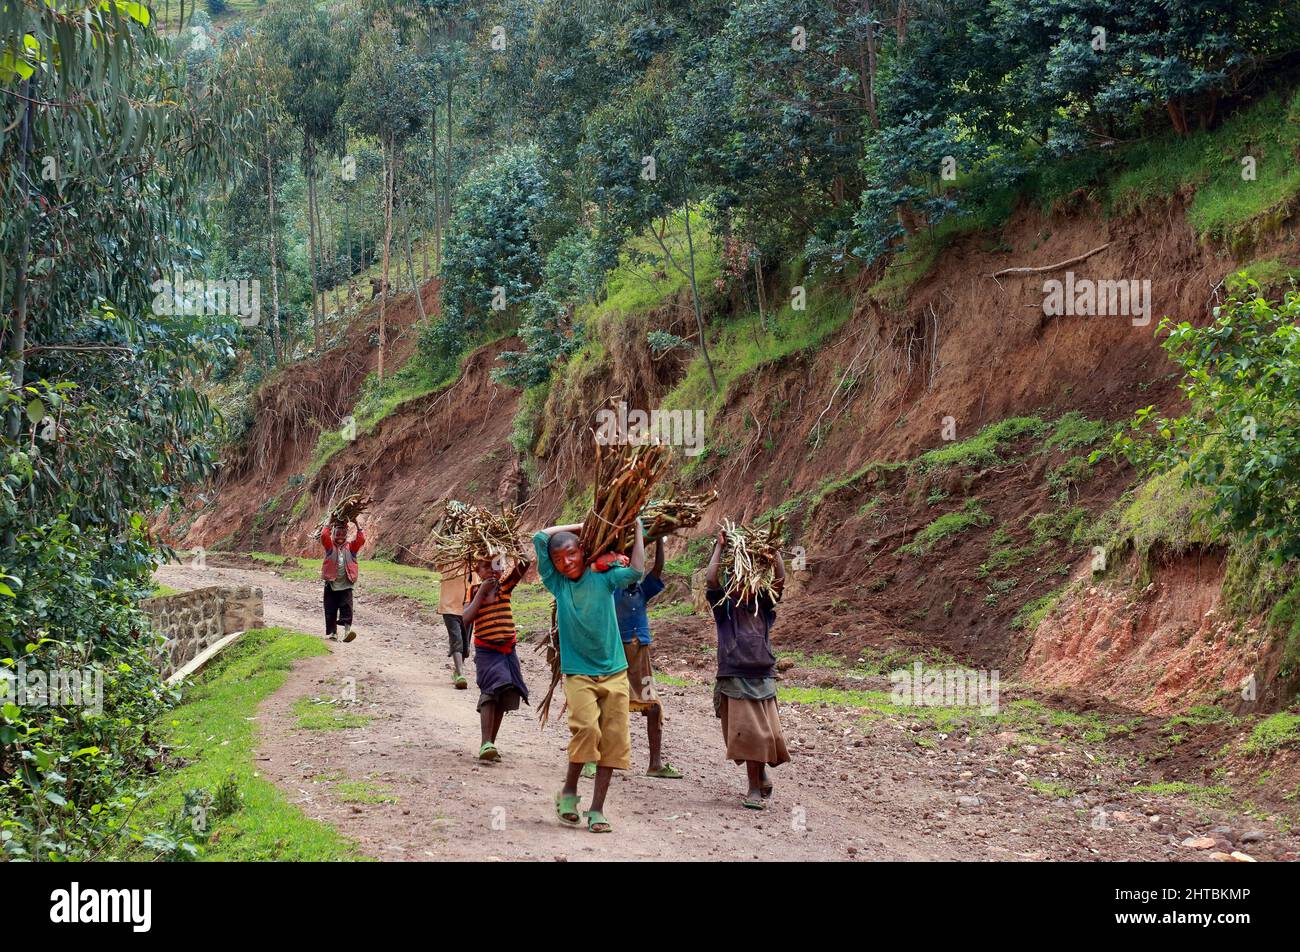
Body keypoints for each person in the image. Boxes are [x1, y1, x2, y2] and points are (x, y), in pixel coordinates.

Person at [534, 519, 645, 833]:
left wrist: (636, 529)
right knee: (585, 730)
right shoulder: (558, 583)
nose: (566, 563)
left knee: (613, 741)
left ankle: (597, 809)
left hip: (615, 672)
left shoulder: (604, 577)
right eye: (559, 560)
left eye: (571, 554)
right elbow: (539, 536)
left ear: (581, 551)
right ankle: (569, 791)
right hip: (579, 673)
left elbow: (637, 571)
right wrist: (587, 524)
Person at [704, 524, 790, 809]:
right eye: (739, 580)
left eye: (750, 580)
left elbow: (780, 581)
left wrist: (774, 553)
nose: (744, 586)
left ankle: (760, 775)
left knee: (765, 735)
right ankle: (753, 788)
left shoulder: (763, 606)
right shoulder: (724, 608)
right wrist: (719, 546)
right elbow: (711, 579)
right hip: (735, 676)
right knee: (748, 735)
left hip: (763, 676)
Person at [610, 536, 681, 779]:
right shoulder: (610, 586)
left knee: (653, 706)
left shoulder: (641, 590)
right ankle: (592, 758)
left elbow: (658, 569)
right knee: (607, 704)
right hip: (615, 653)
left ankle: (655, 764)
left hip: (641, 656)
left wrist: (660, 542)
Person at [462, 553, 531, 761]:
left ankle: (490, 744)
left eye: (496, 565)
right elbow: (465, 618)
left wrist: (514, 548)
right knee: (490, 692)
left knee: (504, 695)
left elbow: (526, 562)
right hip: (487, 651)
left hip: (508, 651)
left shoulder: (505, 587)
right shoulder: (473, 591)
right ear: (477, 571)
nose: (492, 570)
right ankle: (485, 742)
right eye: (485, 567)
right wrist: (481, 592)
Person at [320, 518, 365, 643]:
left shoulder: (351, 548)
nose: (340, 537)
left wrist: (357, 524)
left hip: (346, 583)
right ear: (333, 534)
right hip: (331, 583)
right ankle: (333, 633)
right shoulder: (330, 547)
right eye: (337, 534)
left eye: (343, 534)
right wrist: (329, 522)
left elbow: (361, 540)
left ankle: (347, 632)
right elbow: (324, 535)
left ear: (346, 535)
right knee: (330, 608)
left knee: (347, 608)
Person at [438, 560, 474, 689]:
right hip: (449, 606)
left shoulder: (474, 558)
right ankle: (460, 674)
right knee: (456, 639)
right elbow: (440, 565)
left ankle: (457, 671)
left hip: (470, 607)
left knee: (466, 645)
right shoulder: (448, 557)